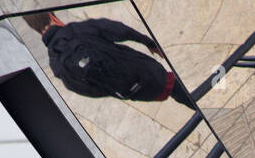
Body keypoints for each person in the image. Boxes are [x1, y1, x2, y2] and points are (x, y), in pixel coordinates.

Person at [22, 11, 196, 108]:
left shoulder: (56, 65)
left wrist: (115, 88)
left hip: (132, 92)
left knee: (173, 89)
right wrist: (148, 42)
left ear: (37, 31)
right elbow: (120, 30)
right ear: (53, 17)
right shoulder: (78, 29)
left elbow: (86, 90)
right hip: (147, 74)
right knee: (177, 87)